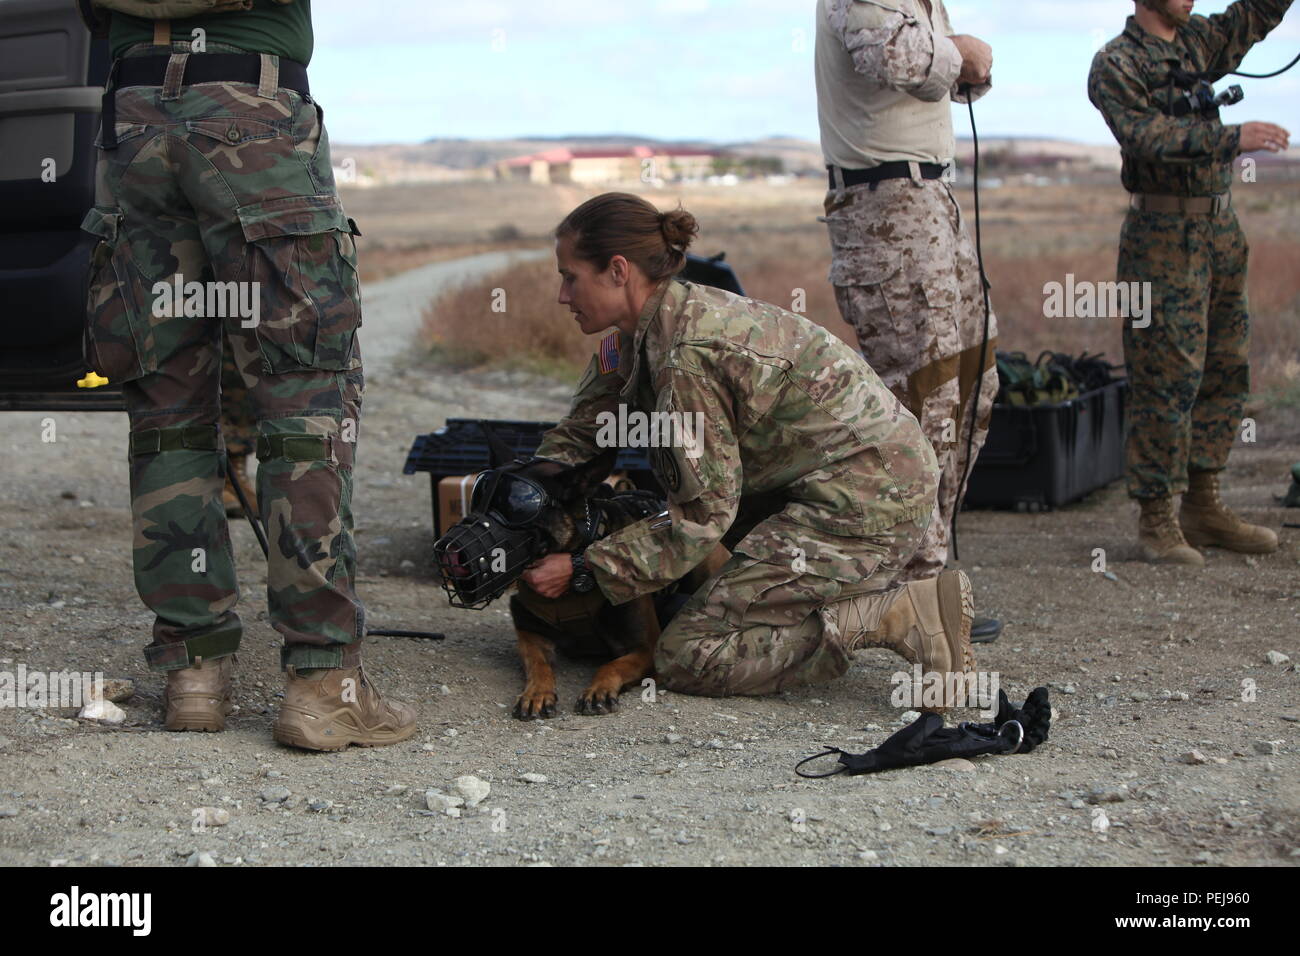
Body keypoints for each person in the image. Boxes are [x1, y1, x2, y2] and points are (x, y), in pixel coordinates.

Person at [78, 0, 415, 748]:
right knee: (305, 397)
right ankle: (324, 682)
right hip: (251, 113)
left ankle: (193, 670)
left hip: (134, 119)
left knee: (167, 405)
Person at [520, 193, 976, 706]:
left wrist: (588, 568)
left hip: (866, 504)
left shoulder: (687, 357)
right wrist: (524, 493)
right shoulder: (638, 333)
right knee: (683, 592)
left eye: (570, 277)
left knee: (689, 653)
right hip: (815, 485)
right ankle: (792, 600)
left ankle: (894, 616)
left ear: (618, 270)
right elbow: (586, 428)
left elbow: (700, 517)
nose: (563, 295)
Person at [814, 0, 1003, 641]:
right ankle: (910, 598)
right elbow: (893, 55)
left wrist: (966, 67)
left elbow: (933, 66)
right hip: (885, 205)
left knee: (974, 387)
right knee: (925, 403)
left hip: (933, 197)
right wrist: (962, 54)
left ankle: (928, 579)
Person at [1089, 0, 1290, 565]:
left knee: (1225, 368)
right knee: (1165, 375)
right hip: (1162, 235)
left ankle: (1204, 504)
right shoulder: (1116, 62)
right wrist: (1232, 139)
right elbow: (1145, 135)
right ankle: (1157, 519)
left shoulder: (1197, 42)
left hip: (1219, 230)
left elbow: (1251, 16)